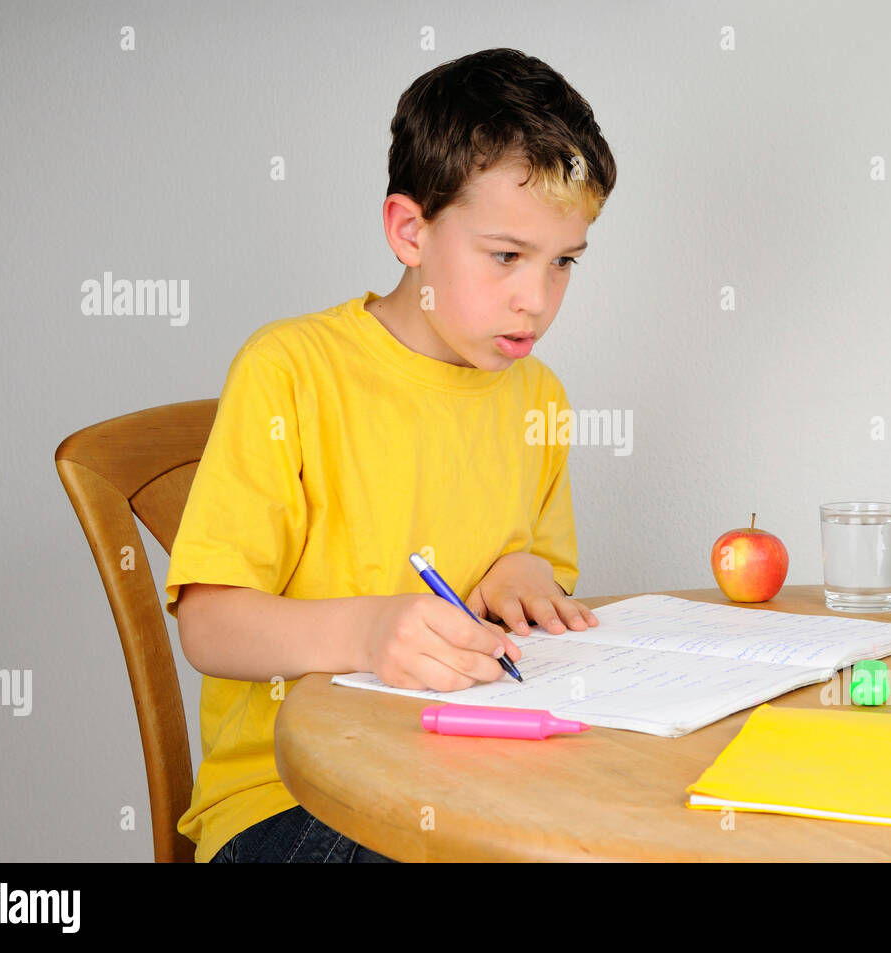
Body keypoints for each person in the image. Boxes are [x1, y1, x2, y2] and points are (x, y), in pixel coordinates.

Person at [164, 47, 617, 863]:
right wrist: (371, 630)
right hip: (293, 795)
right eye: (507, 256)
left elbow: (540, 573)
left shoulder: (538, 396)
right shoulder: (290, 370)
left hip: (468, 768)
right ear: (410, 230)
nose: (536, 299)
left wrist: (524, 575)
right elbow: (208, 624)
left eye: (563, 263)